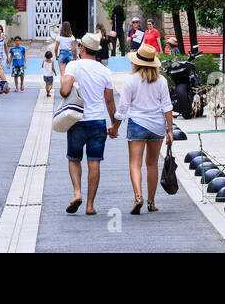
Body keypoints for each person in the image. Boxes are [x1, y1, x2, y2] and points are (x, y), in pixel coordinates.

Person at [108, 44, 174, 214]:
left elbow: (123, 108)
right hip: (157, 125)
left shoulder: (130, 80)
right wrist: (170, 130)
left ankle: (138, 196)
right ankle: (151, 202)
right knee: (152, 164)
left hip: (137, 123)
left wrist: (115, 127)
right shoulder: (161, 80)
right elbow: (167, 106)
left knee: (135, 164)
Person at [59, 32, 117, 215]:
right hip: (98, 121)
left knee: (74, 159)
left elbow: (64, 91)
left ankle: (77, 193)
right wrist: (114, 124)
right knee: (94, 162)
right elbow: (109, 101)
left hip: (77, 120)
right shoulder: (105, 71)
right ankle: (90, 205)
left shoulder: (73, 66)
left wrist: (65, 81)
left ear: (82, 48)